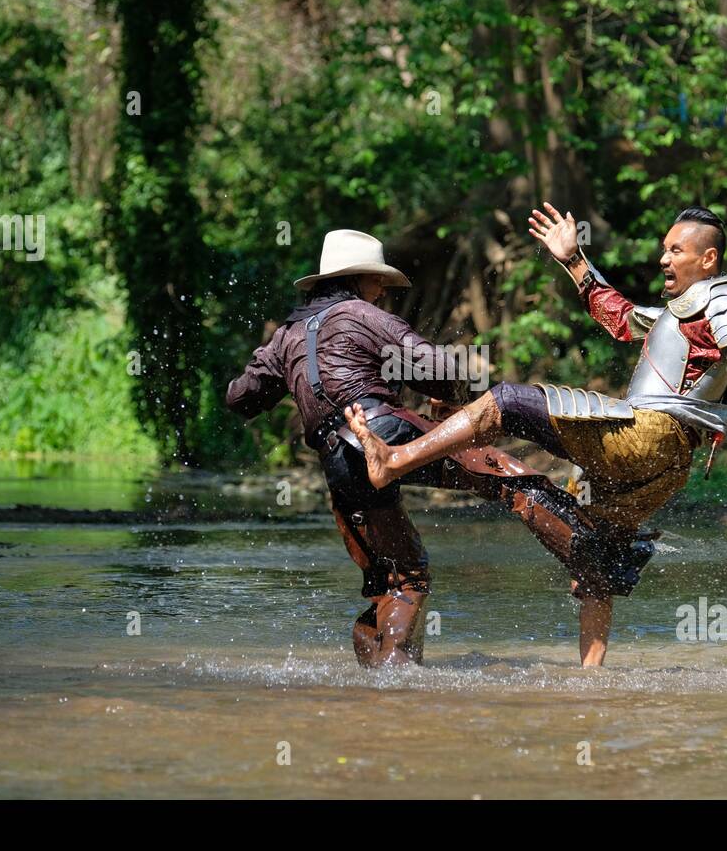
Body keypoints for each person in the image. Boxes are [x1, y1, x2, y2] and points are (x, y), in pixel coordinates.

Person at [345, 203, 727, 665]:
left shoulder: (726, 293)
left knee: (507, 402)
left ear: (709, 258)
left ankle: (395, 460)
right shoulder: (685, 311)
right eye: (664, 250)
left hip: (650, 436)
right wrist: (574, 259)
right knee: (595, 554)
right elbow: (622, 318)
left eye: (676, 250)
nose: (664, 259)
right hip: (667, 468)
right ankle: (592, 682)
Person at [226, 229, 635, 668]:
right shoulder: (361, 314)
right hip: (386, 433)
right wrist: (446, 392)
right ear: (354, 280)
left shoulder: (285, 337)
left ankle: (387, 685)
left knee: (399, 579)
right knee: (512, 476)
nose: (382, 290)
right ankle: (598, 562)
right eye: (376, 280)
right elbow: (438, 368)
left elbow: (240, 398)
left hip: (338, 463)